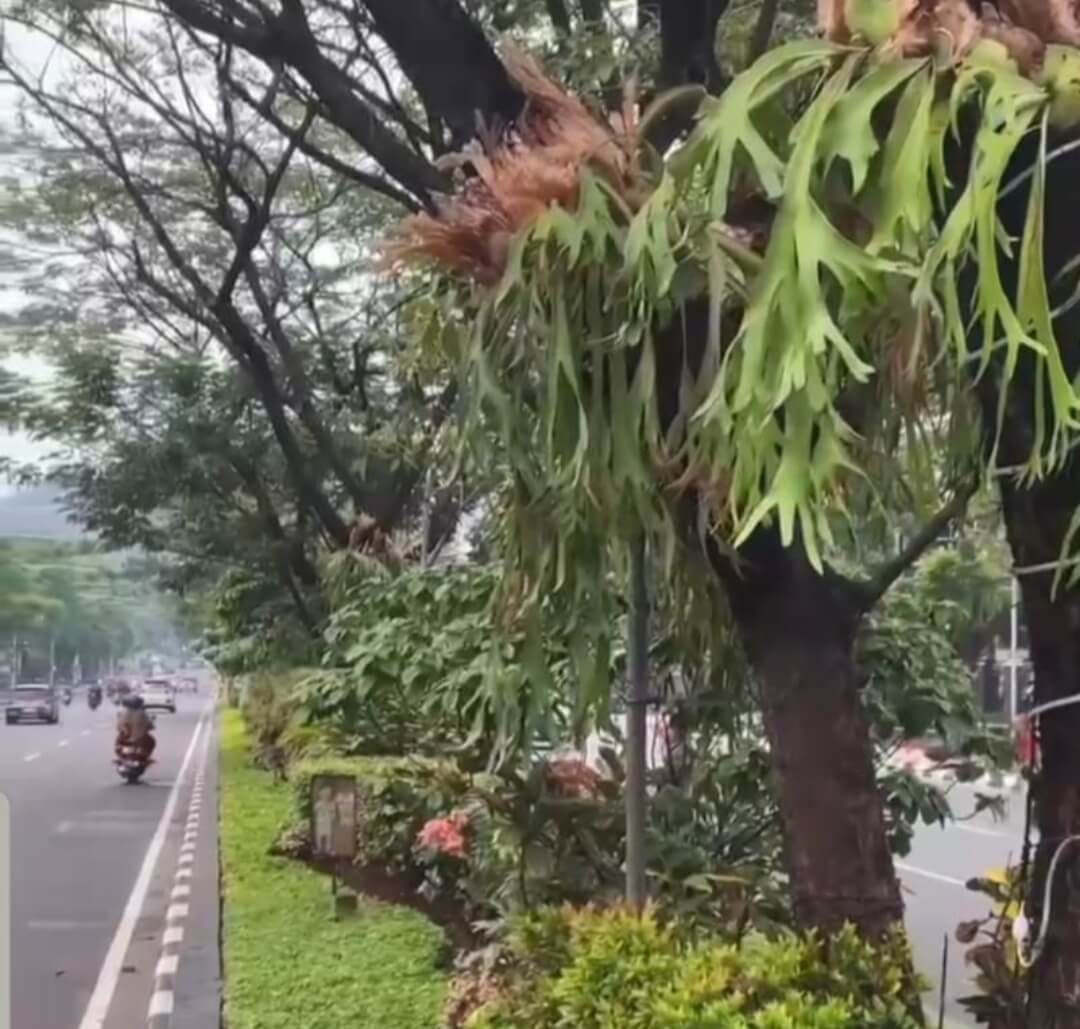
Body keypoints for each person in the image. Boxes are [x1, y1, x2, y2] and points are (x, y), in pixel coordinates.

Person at [115, 694, 156, 761]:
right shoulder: (142, 713)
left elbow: (118, 727)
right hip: (139, 739)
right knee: (152, 741)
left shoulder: (122, 712)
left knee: (119, 741)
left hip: (125, 738)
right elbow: (150, 725)